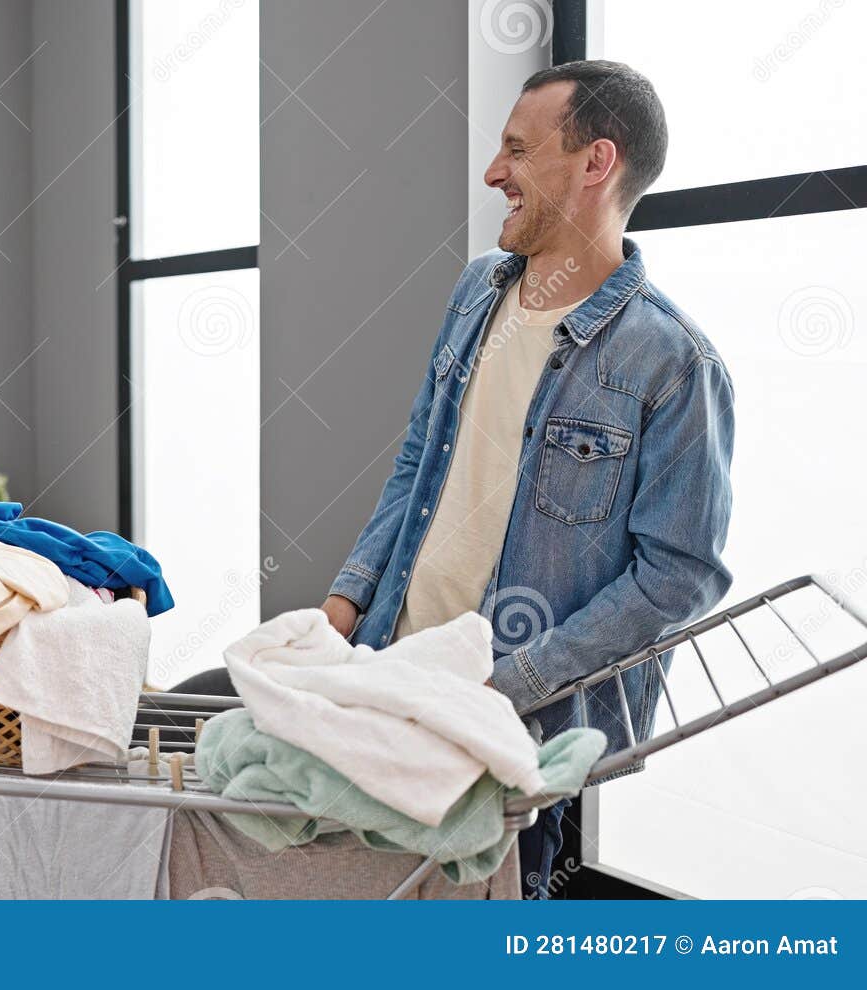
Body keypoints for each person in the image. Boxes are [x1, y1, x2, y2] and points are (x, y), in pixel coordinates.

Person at [185, 61, 735, 899]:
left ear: (596, 163)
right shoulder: (479, 290)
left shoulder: (673, 364)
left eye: (517, 150)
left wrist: (503, 687)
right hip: (391, 675)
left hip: (511, 726)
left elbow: (677, 578)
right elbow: (420, 457)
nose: (492, 173)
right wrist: (344, 606)